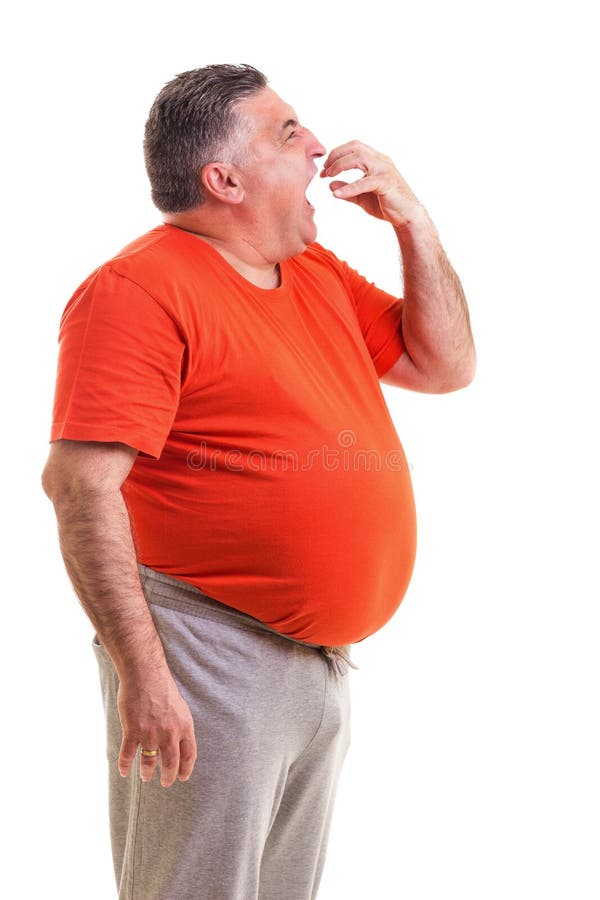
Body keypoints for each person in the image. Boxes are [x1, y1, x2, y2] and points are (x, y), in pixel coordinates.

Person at [42, 63, 475, 900]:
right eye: (288, 133)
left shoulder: (312, 272)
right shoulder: (137, 291)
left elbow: (444, 364)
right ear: (224, 179)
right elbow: (80, 488)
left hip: (314, 664)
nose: (317, 147)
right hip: (205, 654)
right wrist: (147, 675)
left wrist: (413, 221)